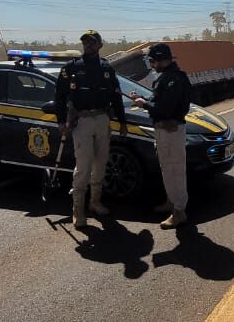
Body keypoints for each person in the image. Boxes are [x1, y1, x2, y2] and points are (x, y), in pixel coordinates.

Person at [54, 30, 127, 228]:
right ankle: (78, 210)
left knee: (101, 163)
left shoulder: (107, 68)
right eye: (86, 42)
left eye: (93, 42)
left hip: (103, 119)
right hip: (82, 121)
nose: (88, 45)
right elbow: (59, 96)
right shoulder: (71, 68)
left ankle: (95, 202)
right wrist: (61, 121)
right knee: (84, 166)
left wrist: (122, 121)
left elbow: (117, 96)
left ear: (100, 45)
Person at [131, 43, 191, 229]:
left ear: (161, 59)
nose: (151, 65)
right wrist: (142, 99)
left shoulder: (174, 79)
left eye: (153, 61)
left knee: (176, 170)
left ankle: (179, 211)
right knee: (167, 169)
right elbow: (158, 101)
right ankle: (171, 201)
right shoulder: (165, 78)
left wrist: (144, 105)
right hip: (163, 130)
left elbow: (165, 108)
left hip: (171, 129)